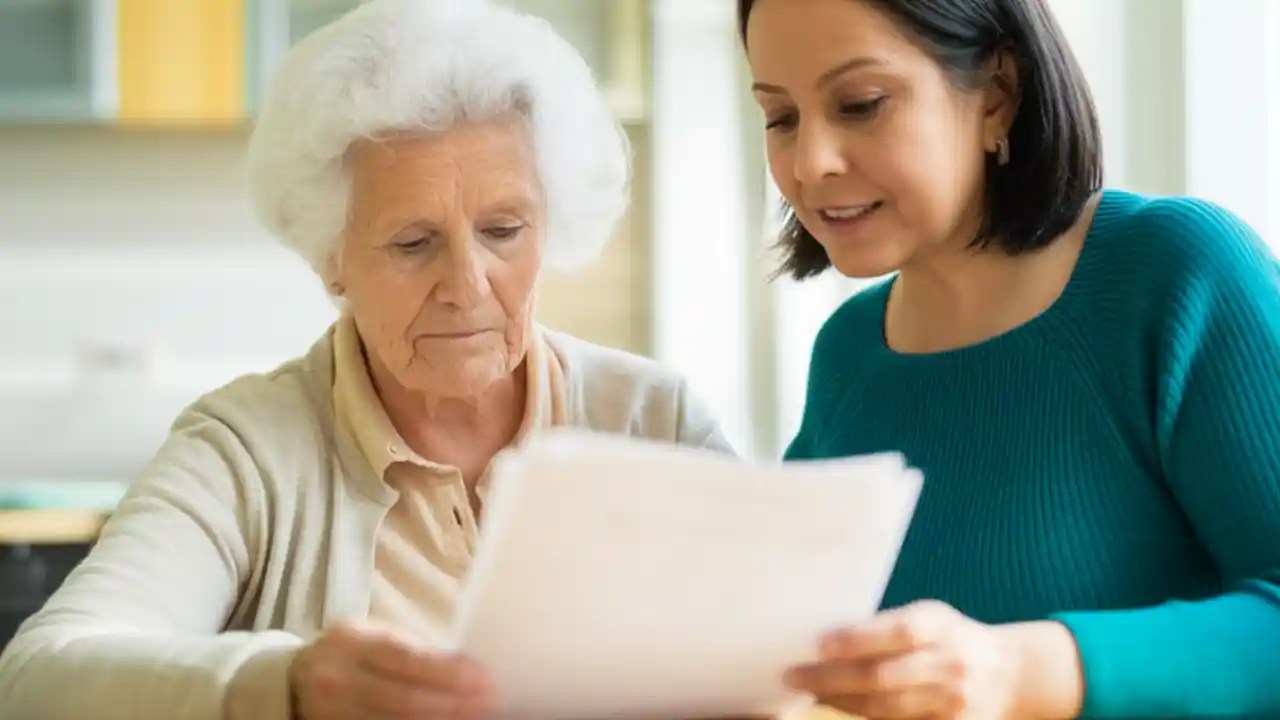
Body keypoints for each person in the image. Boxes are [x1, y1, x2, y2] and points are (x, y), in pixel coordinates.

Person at [0, 1, 732, 718]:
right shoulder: (247, 450)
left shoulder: (653, 419)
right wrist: (286, 683)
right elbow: (39, 677)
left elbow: (771, 654)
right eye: (414, 243)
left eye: (505, 230)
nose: (467, 287)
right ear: (332, 260)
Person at [740, 0, 1280, 717]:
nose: (810, 162)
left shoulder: (1175, 273)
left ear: (997, 94)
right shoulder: (846, 354)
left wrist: (1015, 670)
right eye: (781, 118)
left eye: (861, 104)